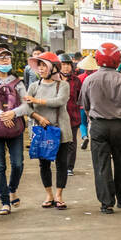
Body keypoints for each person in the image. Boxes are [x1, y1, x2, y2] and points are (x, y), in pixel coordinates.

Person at [78, 41, 121, 213]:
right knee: (120, 161)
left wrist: (94, 121)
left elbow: (85, 105)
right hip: (119, 126)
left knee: (101, 164)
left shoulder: (89, 80)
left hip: (98, 126)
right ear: (118, 60)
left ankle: (106, 203)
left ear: (98, 60)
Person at [0, 41, 33, 215]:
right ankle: (5, 202)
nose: (4, 60)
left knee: (17, 164)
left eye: (7, 57)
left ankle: (12, 188)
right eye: (0, 57)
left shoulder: (17, 82)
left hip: (15, 128)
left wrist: (13, 113)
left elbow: (27, 106)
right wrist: (0, 114)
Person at [25, 51, 73, 210]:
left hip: (60, 130)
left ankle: (59, 196)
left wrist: (36, 100)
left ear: (53, 68)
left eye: (44, 65)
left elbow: (59, 101)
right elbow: (26, 107)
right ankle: (49, 195)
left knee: (61, 164)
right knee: (44, 164)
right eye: (38, 65)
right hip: (41, 130)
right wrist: (39, 118)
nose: (40, 68)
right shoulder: (33, 86)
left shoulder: (63, 85)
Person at [62, 55, 83, 176]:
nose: (65, 67)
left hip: (72, 116)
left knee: (71, 142)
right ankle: (61, 164)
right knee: (59, 142)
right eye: (63, 65)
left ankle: (69, 166)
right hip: (57, 117)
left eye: (67, 65)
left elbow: (80, 98)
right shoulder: (54, 79)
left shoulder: (76, 81)